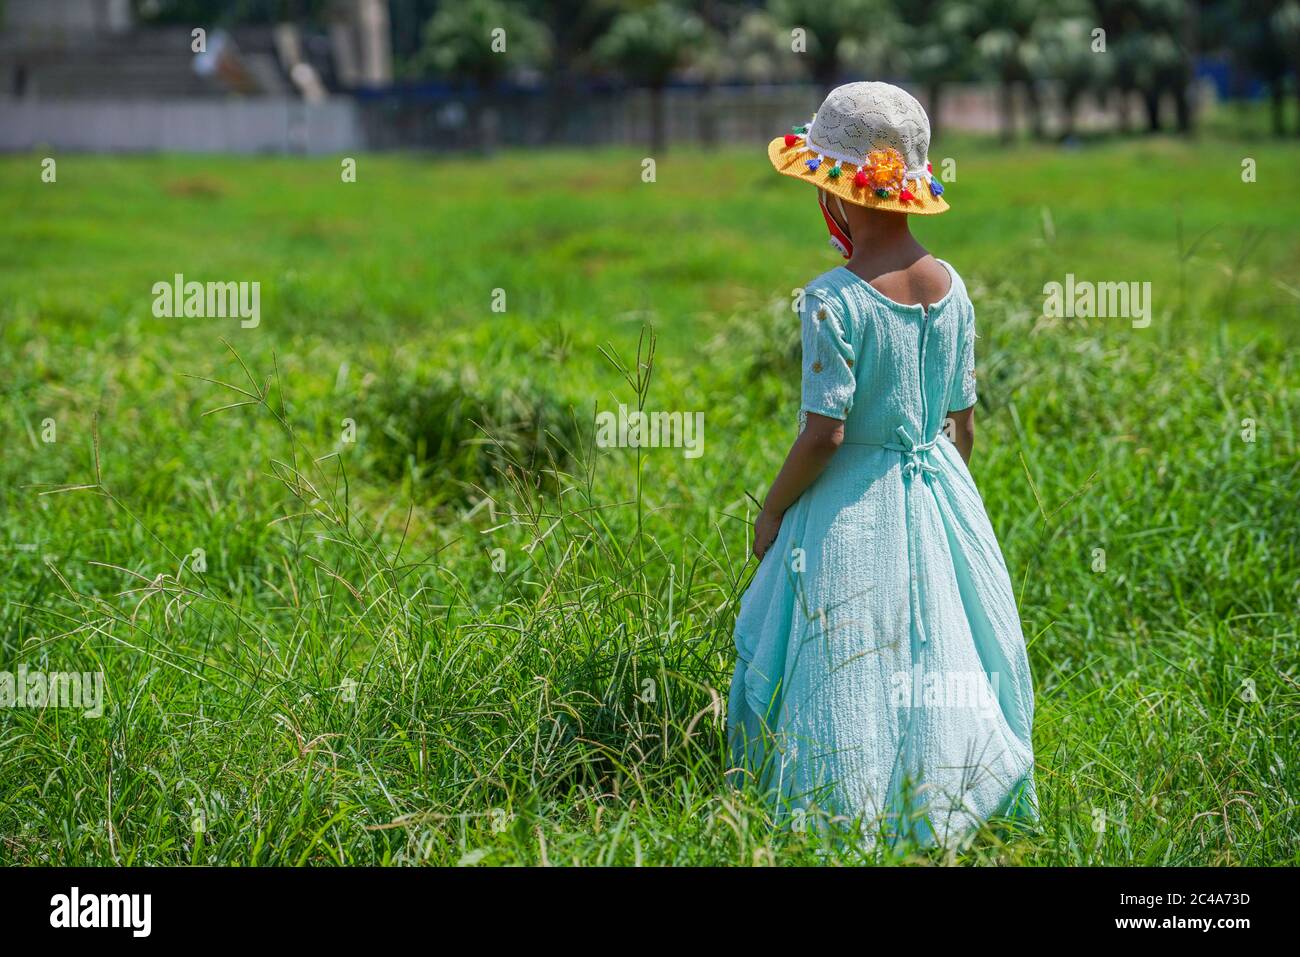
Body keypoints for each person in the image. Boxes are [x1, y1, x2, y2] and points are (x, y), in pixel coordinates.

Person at [728, 81, 1038, 850]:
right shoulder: (953, 286)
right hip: (939, 486)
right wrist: (941, 496)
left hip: (852, 502)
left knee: (845, 653)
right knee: (942, 642)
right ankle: (956, 792)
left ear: (836, 199)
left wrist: (771, 510)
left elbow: (825, 433)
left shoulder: (833, 298)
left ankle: (843, 802)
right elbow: (961, 422)